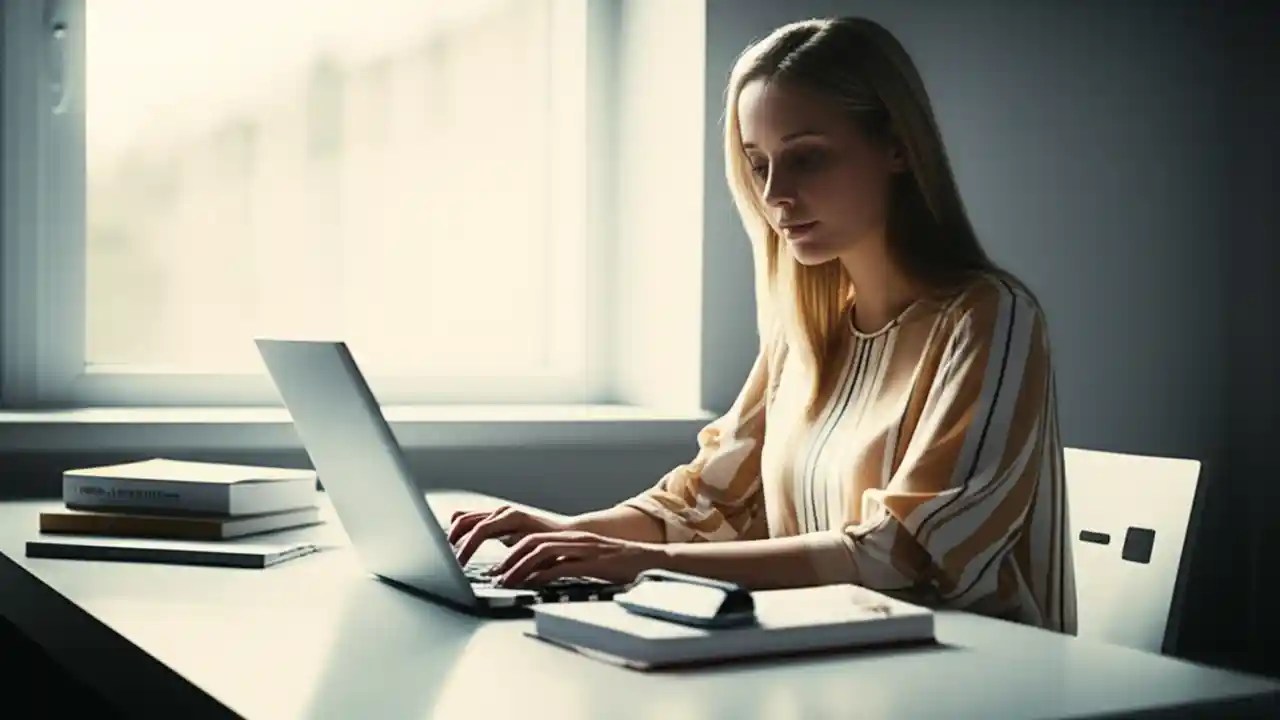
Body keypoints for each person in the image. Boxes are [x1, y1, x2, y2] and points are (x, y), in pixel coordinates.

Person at [449, 16, 1076, 633]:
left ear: (898, 148)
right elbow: (707, 502)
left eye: (806, 158)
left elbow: (910, 553)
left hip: (975, 675)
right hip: (840, 659)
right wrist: (572, 532)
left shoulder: (989, 317)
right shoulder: (804, 330)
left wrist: (651, 566)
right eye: (757, 163)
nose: (776, 193)